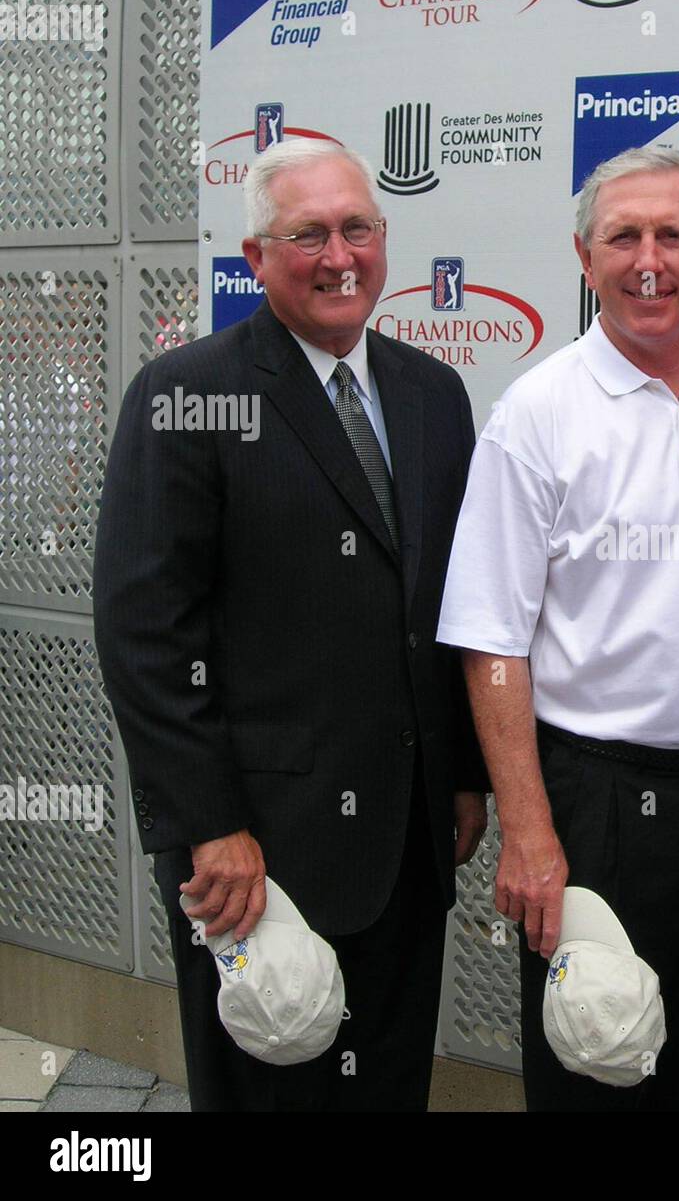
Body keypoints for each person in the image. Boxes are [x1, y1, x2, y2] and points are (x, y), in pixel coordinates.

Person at [93, 139, 489, 1111]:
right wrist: (209, 826)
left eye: (357, 228)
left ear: (383, 238)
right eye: (306, 234)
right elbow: (146, 637)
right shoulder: (186, 395)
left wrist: (468, 774)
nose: (337, 255)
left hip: (407, 847)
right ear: (254, 257)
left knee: (386, 1088)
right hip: (259, 858)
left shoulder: (435, 396)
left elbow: (448, 603)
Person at [436, 147, 679, 1111]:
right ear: (584, 257)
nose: (647, 259)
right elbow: (492, 641)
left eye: (672, 235)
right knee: (595, 1069)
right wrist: (528, 831)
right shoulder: (536, 412)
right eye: (623, 236)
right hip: (595, 804)